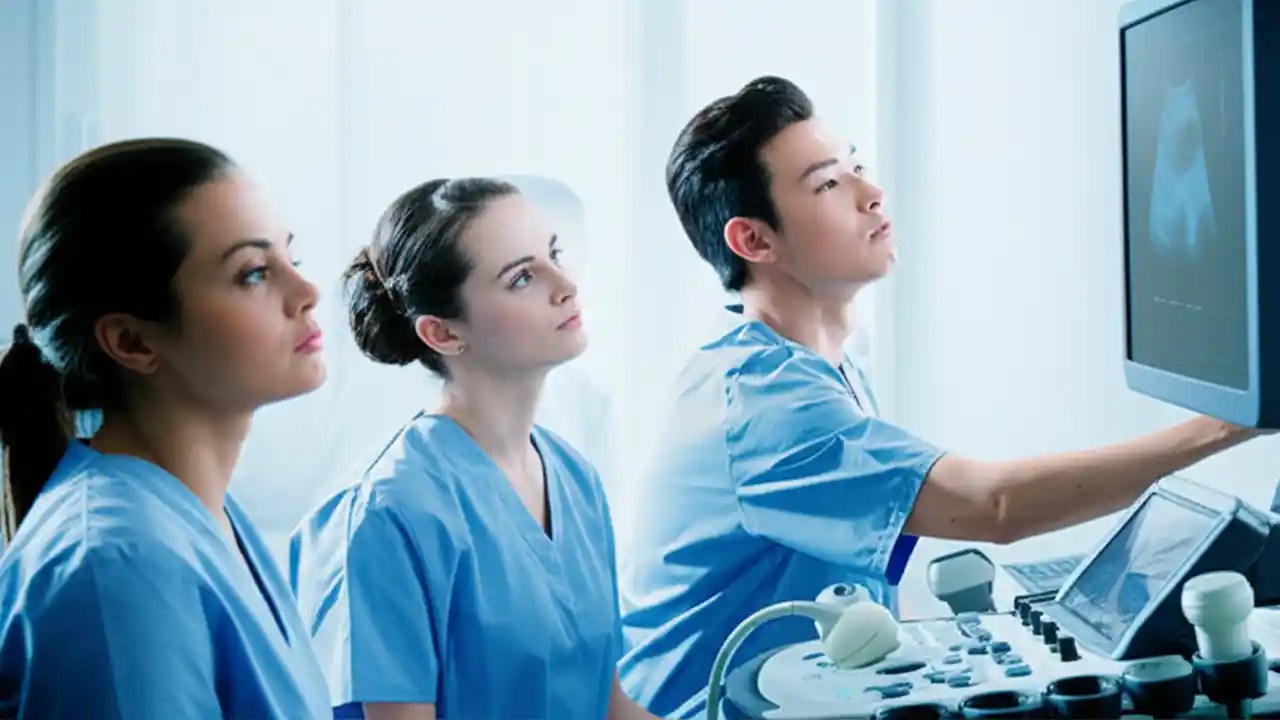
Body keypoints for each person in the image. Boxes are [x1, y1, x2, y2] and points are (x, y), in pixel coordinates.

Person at [616, 76, 1262, 718]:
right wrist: (1236, 419)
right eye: (829, 184)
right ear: (754, 241)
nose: (872, 194)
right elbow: (995, 505)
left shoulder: (812, 366)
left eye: (857, 167)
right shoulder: (765, 405)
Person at [289, 177, 658, 720]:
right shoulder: (393, 512)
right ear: (441, 333)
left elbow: (609, 705)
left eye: (554, 255)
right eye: (523, 277)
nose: (566, 286)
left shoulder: (576, 478)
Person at [0, 139, 331, 719]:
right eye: (253, 273)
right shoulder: (118, 565)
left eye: (290, 259)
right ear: (132, 341)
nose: (307, 293)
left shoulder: (205, 518)